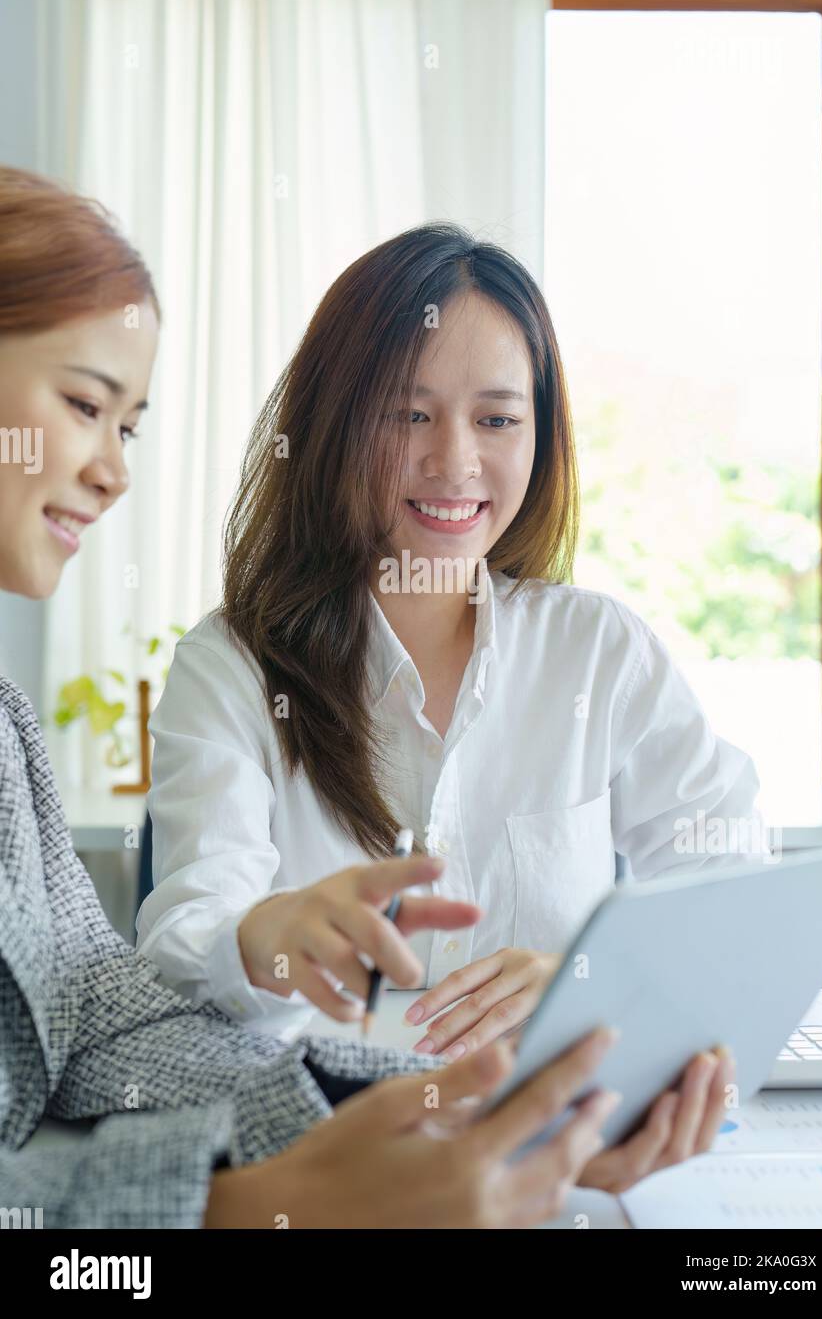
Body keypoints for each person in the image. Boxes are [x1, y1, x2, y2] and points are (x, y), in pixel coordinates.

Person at [0, 167, 730, 1228]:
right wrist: (256, 1205)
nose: (113, 472)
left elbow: (97, 1019)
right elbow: (166, 971)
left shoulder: (9, 730)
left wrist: (496, 1123)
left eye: (130, 427)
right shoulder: (238, 668)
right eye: (83, 405)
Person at [138, 222, 767, 1064]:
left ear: (539, 440)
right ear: (334, 426)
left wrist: (589, 979)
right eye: (409, 413)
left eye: (498, 418)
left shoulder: (597, 654)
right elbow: (185, 942)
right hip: (327, 1141)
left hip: (556, 1133)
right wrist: (268, 936)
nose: (455, 460)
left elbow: (732, 876)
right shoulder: (234, 670)